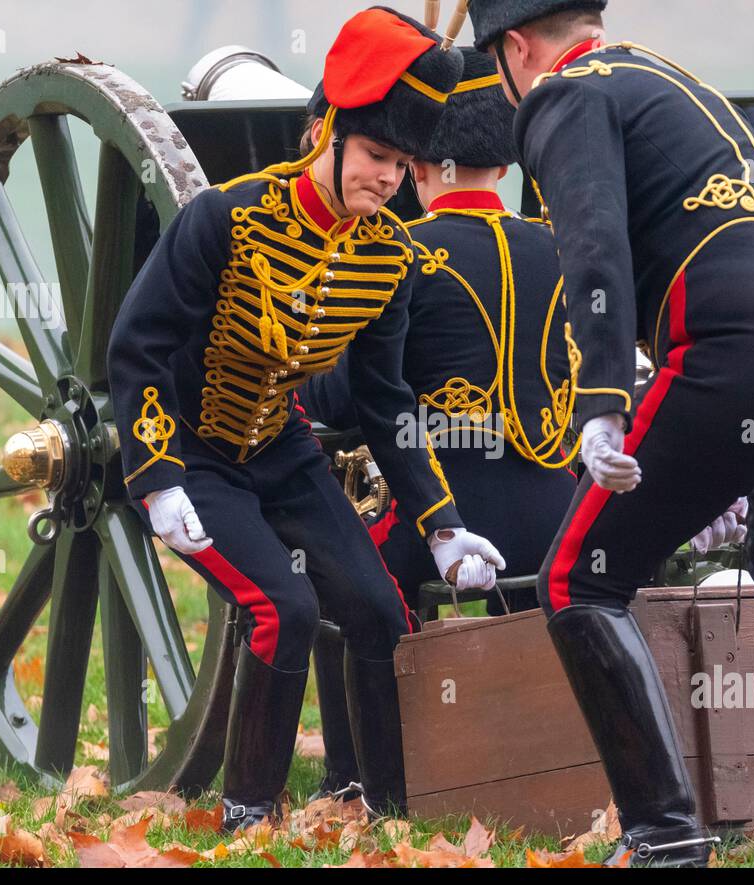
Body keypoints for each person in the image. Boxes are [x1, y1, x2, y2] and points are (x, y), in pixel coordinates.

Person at [464, 0, 754, 864]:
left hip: (749, 338)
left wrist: (602, 397)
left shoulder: (561, 96)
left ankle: (664, 836)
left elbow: (592, 242)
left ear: (517, 47)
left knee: (578, 580)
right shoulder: (659, 72)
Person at [106, 6, 507, 831]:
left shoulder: (391, 256)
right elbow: (137, 345)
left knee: (380, 612)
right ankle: (248, 812)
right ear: (324, 131)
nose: (390, 179)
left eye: (402, 164)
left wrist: (441, 524)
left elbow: (385, 402)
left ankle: (387, 804)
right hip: (194, 453)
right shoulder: (225, 216)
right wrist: (155, 477)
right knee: (281, 609)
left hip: (279, 446)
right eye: (374, 156)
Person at [298, 47, 580, 799]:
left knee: (341, 592)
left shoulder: (397, 255)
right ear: (503, 165)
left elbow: (345, 401)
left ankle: (358, 780)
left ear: (422, 169)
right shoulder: (559, 248)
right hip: (557, 512)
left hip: (440, 517)